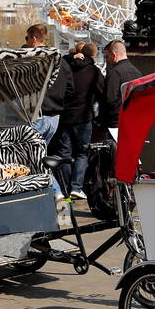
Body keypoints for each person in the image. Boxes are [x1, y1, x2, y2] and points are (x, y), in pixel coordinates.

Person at [23, 23, 73, 200]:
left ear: (34, 39)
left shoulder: (33, 59)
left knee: (30, 156)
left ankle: (55, 191)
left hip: (39, 115)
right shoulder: (59, 59)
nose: (27, 42)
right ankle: (53, 193)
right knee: (40, 155)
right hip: (55, 118)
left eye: (27, 38)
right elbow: (70, 88)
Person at [60, 42, 104, 200]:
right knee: (82, 153)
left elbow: (60, 61)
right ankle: (76, 187)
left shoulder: (67, 67)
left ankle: (64, 189)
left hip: (65, 116)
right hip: (84, 117)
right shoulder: (93, 71)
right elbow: (102, 94)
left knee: (64, 153)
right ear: (94, 55)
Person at [99, 39, 142, 132]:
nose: (107, 60)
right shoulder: (137, 72)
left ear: (114, 55)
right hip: (133, 120)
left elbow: (110, 100)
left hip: (116, 123)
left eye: (107, 57)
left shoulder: (115, 73)